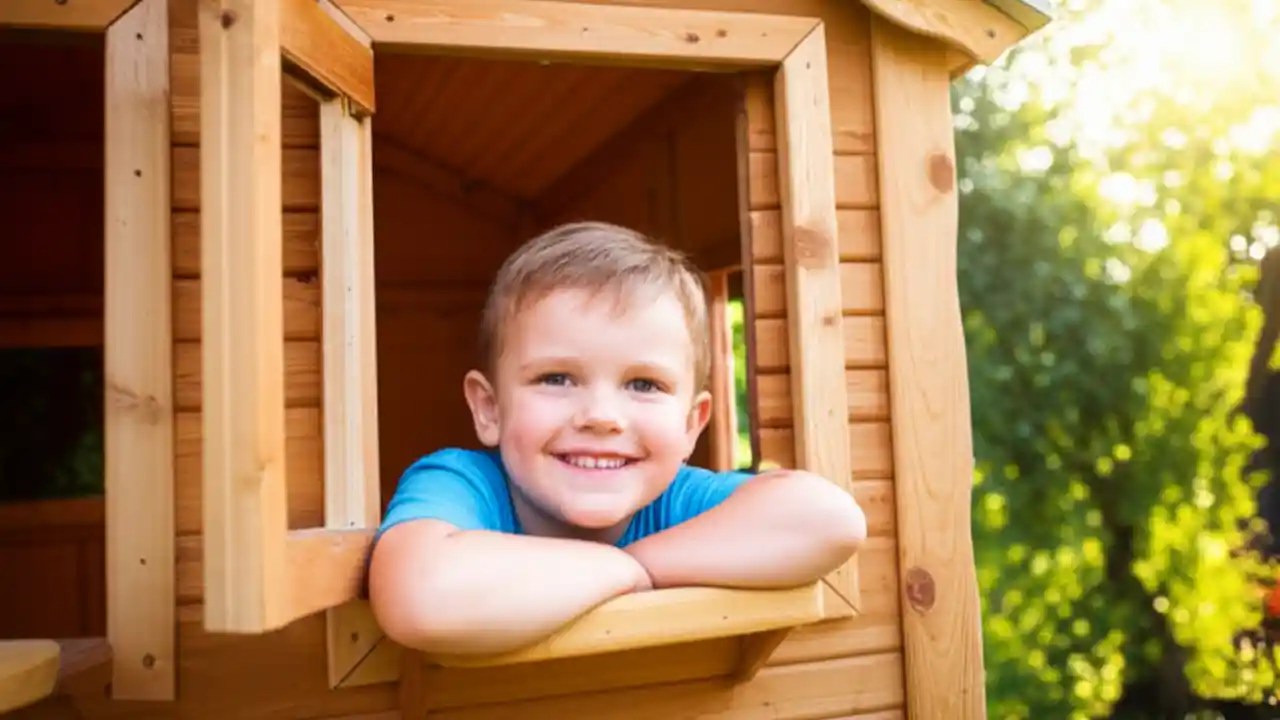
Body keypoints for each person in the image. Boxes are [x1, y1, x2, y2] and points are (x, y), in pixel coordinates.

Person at [367, 221, 866, 656]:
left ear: (692, 424)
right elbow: (420, 597)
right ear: (489, 408)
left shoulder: (679, 498)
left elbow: (831, 519)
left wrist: (634, 564)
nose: (602, 417)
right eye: (557, 378)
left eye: (643, 384)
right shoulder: (461, 481)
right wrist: (618, 571)